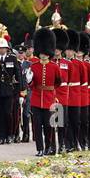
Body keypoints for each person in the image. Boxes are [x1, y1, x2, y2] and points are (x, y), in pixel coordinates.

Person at [28, 27, 61, 156]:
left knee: (49, 126)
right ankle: (39, 149)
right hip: (36, 99)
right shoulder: (34, 66)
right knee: (37, 126)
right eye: (41, 52)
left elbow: (58, 82)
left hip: (49, 100)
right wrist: (29, 80)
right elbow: (31, 85)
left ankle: (48, 147)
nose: (43, 54)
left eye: (45, 52)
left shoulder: (54, 67)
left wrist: (52, 93)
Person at [0, 41, 20, 144]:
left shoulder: (12, 59)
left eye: (3, 48)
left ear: (7, 49)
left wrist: (18, 90)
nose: (1, 50)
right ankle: (1, 136)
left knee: (8, 113)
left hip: (9, 91)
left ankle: (9, 134)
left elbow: (17, 75)